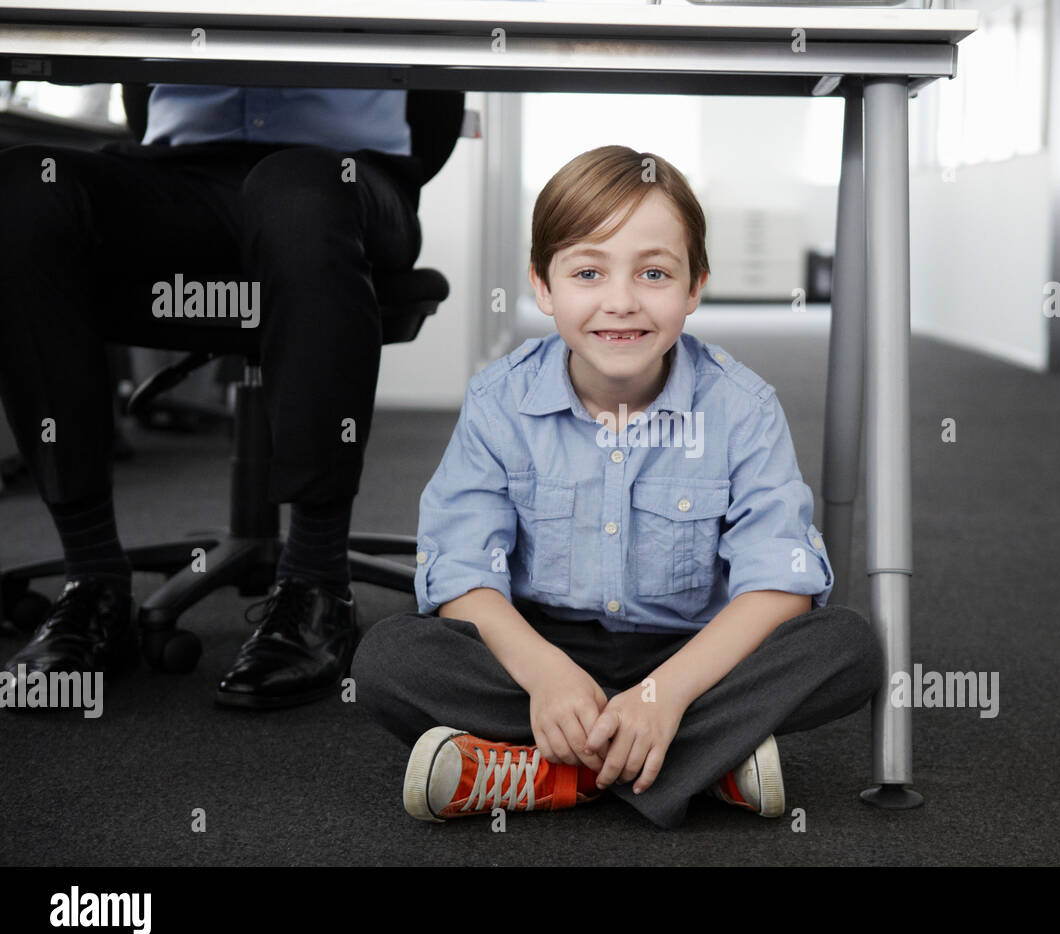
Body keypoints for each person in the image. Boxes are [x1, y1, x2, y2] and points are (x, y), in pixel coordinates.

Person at [352, 145, 882, 829]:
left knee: (846, 647)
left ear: (695, 287)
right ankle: (702, 763)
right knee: (387, 659)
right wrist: (544, 674)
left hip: (689, 657)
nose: (622, 301)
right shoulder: (499, 401)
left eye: (655, 272)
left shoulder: (742, 408)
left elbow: (781, 582)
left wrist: (666, 692)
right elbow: (458, 570)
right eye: (588, 271)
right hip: (539, 649)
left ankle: (547, 770)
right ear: (543, 286)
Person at [0, 85, 440, 709]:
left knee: (297, 194)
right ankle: (92, 580)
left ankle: (317, 585)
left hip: (343, 170)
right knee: (23, 189)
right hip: (177, 174)